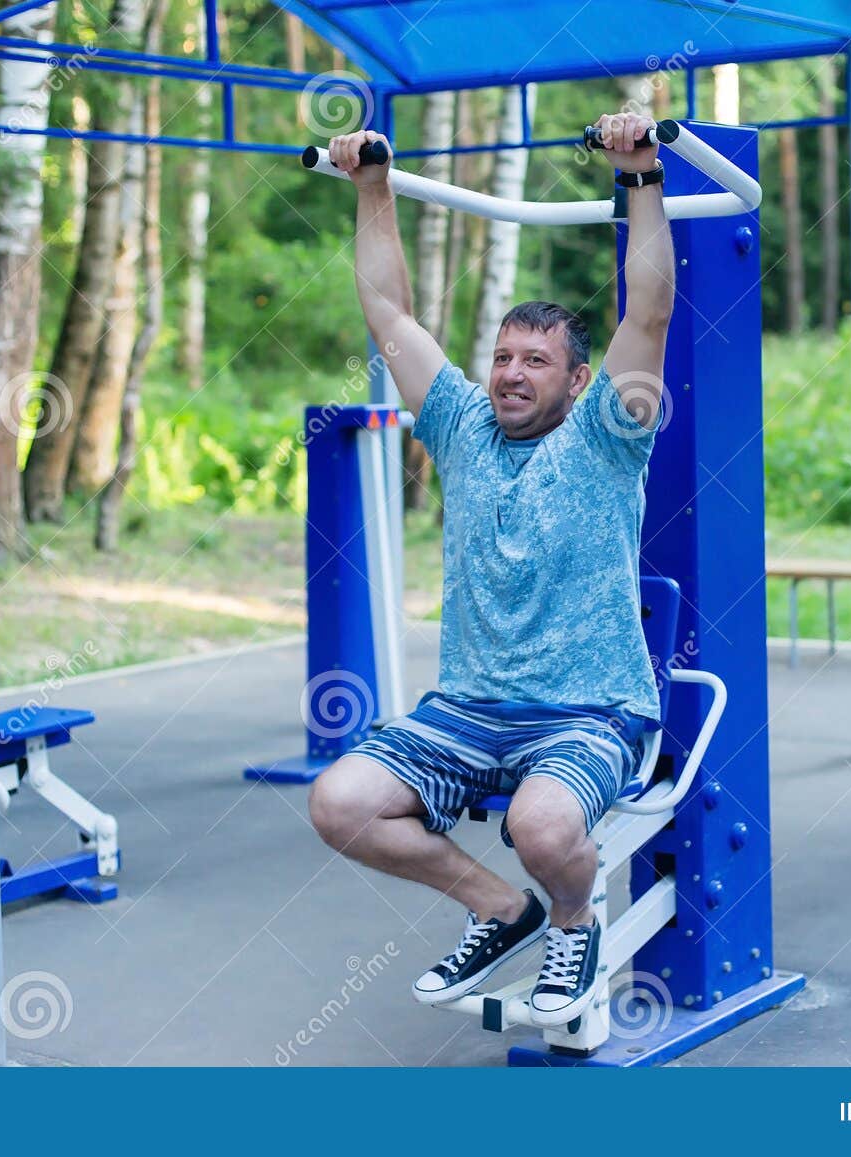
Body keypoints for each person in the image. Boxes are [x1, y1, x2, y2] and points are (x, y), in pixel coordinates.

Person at [308, 111, 675, 1028]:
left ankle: (570, 918)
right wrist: (371, 187)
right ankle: (499, 908)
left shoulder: (606, 437)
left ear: (578, 380)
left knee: (542, 825)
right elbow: (388, 311)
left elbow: (651, 309)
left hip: (591, 708)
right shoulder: (463, 428)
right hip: (469, 709)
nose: (512, 372)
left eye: (537, 361)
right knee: (339, 800)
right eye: (503, 356)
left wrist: (638, 173)